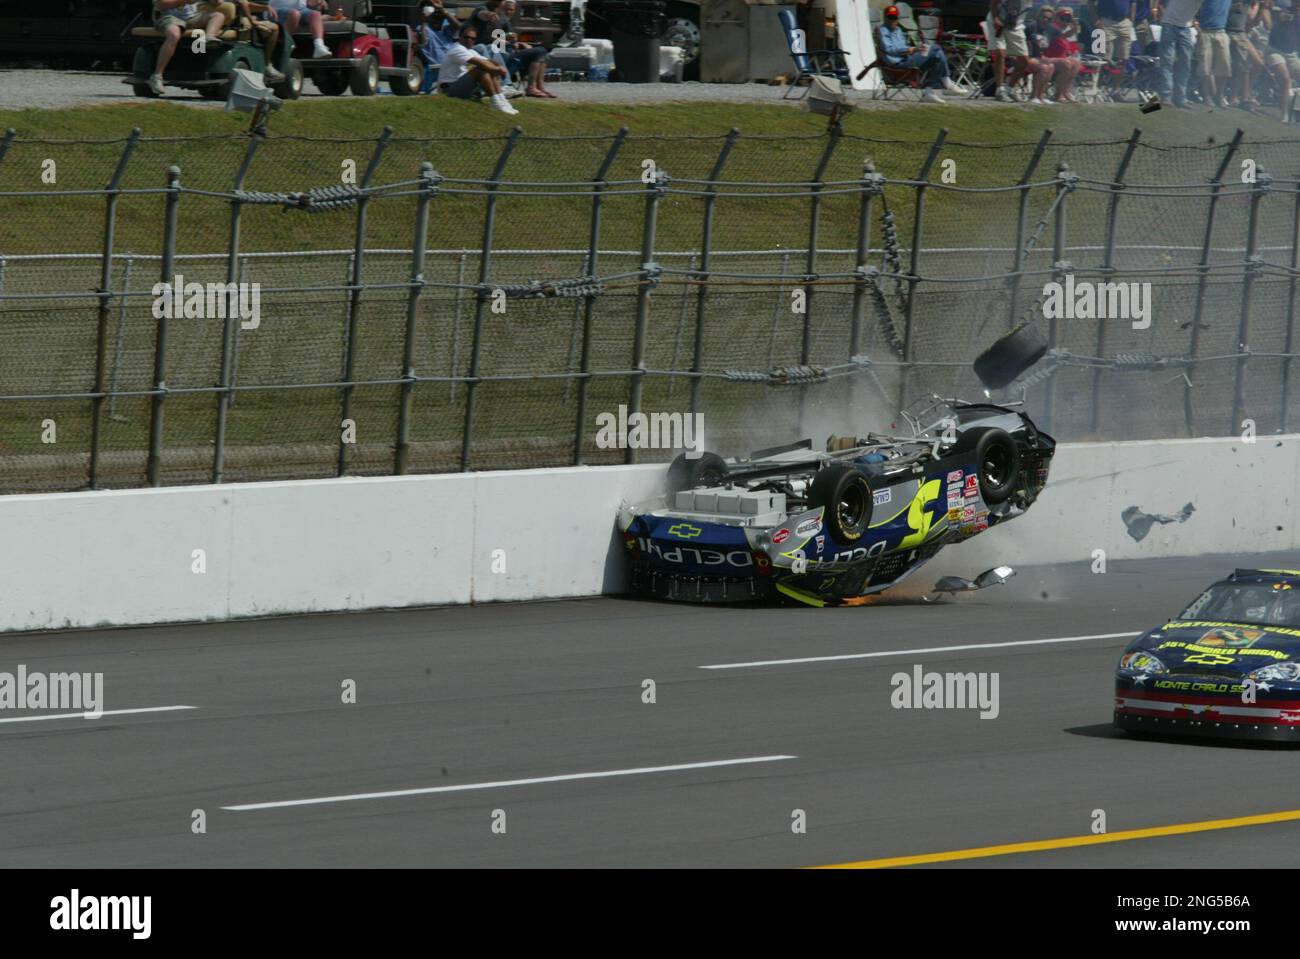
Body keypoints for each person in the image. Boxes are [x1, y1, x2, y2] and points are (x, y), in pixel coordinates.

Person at [878, 4, 965, 100]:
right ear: (885, 18)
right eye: (889, 17)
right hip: (898, 65)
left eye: (894, 18)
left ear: (898, 19)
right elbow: (889, 49)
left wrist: (915, 49)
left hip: (907, 58)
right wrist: (909, 49)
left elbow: (902, 46)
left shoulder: (898, 30)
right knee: (936, 48)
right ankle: (946, 83)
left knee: (937, 56)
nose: (891, 20)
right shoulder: (883, 30)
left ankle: (929, 92)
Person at [149, 0, 236, 95]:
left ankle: (209, 37)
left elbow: (217, 3)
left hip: (193, 18)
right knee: (174, 35)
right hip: (170, 17)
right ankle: (157, 76)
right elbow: (160, 5)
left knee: (218, 15)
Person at [438, 24, 519, 113]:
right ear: (459, 37)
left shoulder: (470, 51)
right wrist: (498, 69)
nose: (469, 40)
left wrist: (498, 67)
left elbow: (488, 61)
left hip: (461, 86)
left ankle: (501, 100)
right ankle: (495, 102)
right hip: (449, 89)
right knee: (482, 69)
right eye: (466, 37)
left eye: (472, 39)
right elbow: (480, 63)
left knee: (489, 68)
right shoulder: (457, 49)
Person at [500, 0, 556, 97]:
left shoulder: (507, 22)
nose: (509, 12)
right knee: (539, 51)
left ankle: (540, 87)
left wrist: (521, 43)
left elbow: (509, 39)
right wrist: (510, 43)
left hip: (513, 50)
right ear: (502, 9)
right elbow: (495, 41)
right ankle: (531, 87)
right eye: (507, 9)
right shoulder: (499, 22)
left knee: (543, 51)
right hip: (505, 54)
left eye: (511, 10)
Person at [987, 0, 1034, 100]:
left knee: (1024, 61)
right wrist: (995, 18)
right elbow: (994, 2)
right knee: (1000, 52)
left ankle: (1010, 89)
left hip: (1016, 26)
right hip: (998, 22)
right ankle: (999, 90)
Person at [1158, 0, 1202, 106]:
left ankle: (1180, 97)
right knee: (1168, 61)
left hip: (1185, 26)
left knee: (1185, 63)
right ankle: (1166, 96)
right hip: (1170, 23)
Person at [1264, 0, 1300, 120]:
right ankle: (1284, 114)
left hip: (1291, 54)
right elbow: (1277, 17)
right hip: (1275, 50)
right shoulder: (1284, 9)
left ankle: (1295, 112)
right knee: (1285, 79)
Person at [1225, 0, 1263, 108]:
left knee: (1251, 64)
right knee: (1241, 66)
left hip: (1241, 34)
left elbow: (1251, 19)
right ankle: (1240, 97)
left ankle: (1244, 95)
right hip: (1229, 31)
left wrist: (1257, 6)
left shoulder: (1250, 3)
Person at [1197, 0, 1234, 106]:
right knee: (1205, 66)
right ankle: (1206, 96)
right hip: (1205, 31)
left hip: (1221, 31)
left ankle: (1219, 96)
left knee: (1224, 66)